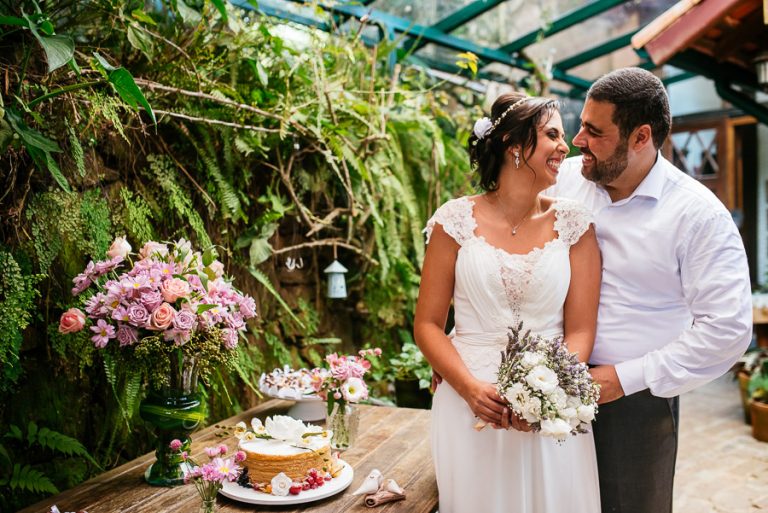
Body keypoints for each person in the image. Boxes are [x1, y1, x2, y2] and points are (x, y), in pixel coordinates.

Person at [547, 67, 752, 513]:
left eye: (595, 131)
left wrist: (623, 379)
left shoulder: (698, 216)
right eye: (581, 125)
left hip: (634, 403)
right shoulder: (563, 180)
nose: (577, 140)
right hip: (544, 383)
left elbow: (728, 329)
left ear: (641, 137)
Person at [414, 92, 603, 513]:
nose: (565, 146)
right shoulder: (453, 221)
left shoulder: (575, 224)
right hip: (468, 406)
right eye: (552, 135)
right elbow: (427, 324)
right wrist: (469, 389)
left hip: (550, 410)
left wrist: (548, 393)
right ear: (513, 145)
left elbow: (580, 330)